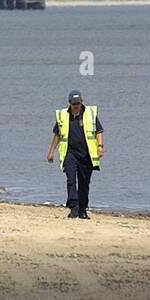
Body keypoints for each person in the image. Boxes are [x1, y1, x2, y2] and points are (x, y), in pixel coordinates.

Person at [45, 90, 103, 219]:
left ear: (82, 102)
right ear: (69, 103)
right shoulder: (63, 116)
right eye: (74, 103)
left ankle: (82, 210)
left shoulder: (90, 114)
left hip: (87, 155)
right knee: (71, 179)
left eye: (78, 103)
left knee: (84, 183)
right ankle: (73, 205)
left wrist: (100, 146)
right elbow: (57, 135)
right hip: (70, 153)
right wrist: (51, 152)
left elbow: (99, 131)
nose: (76, 106)